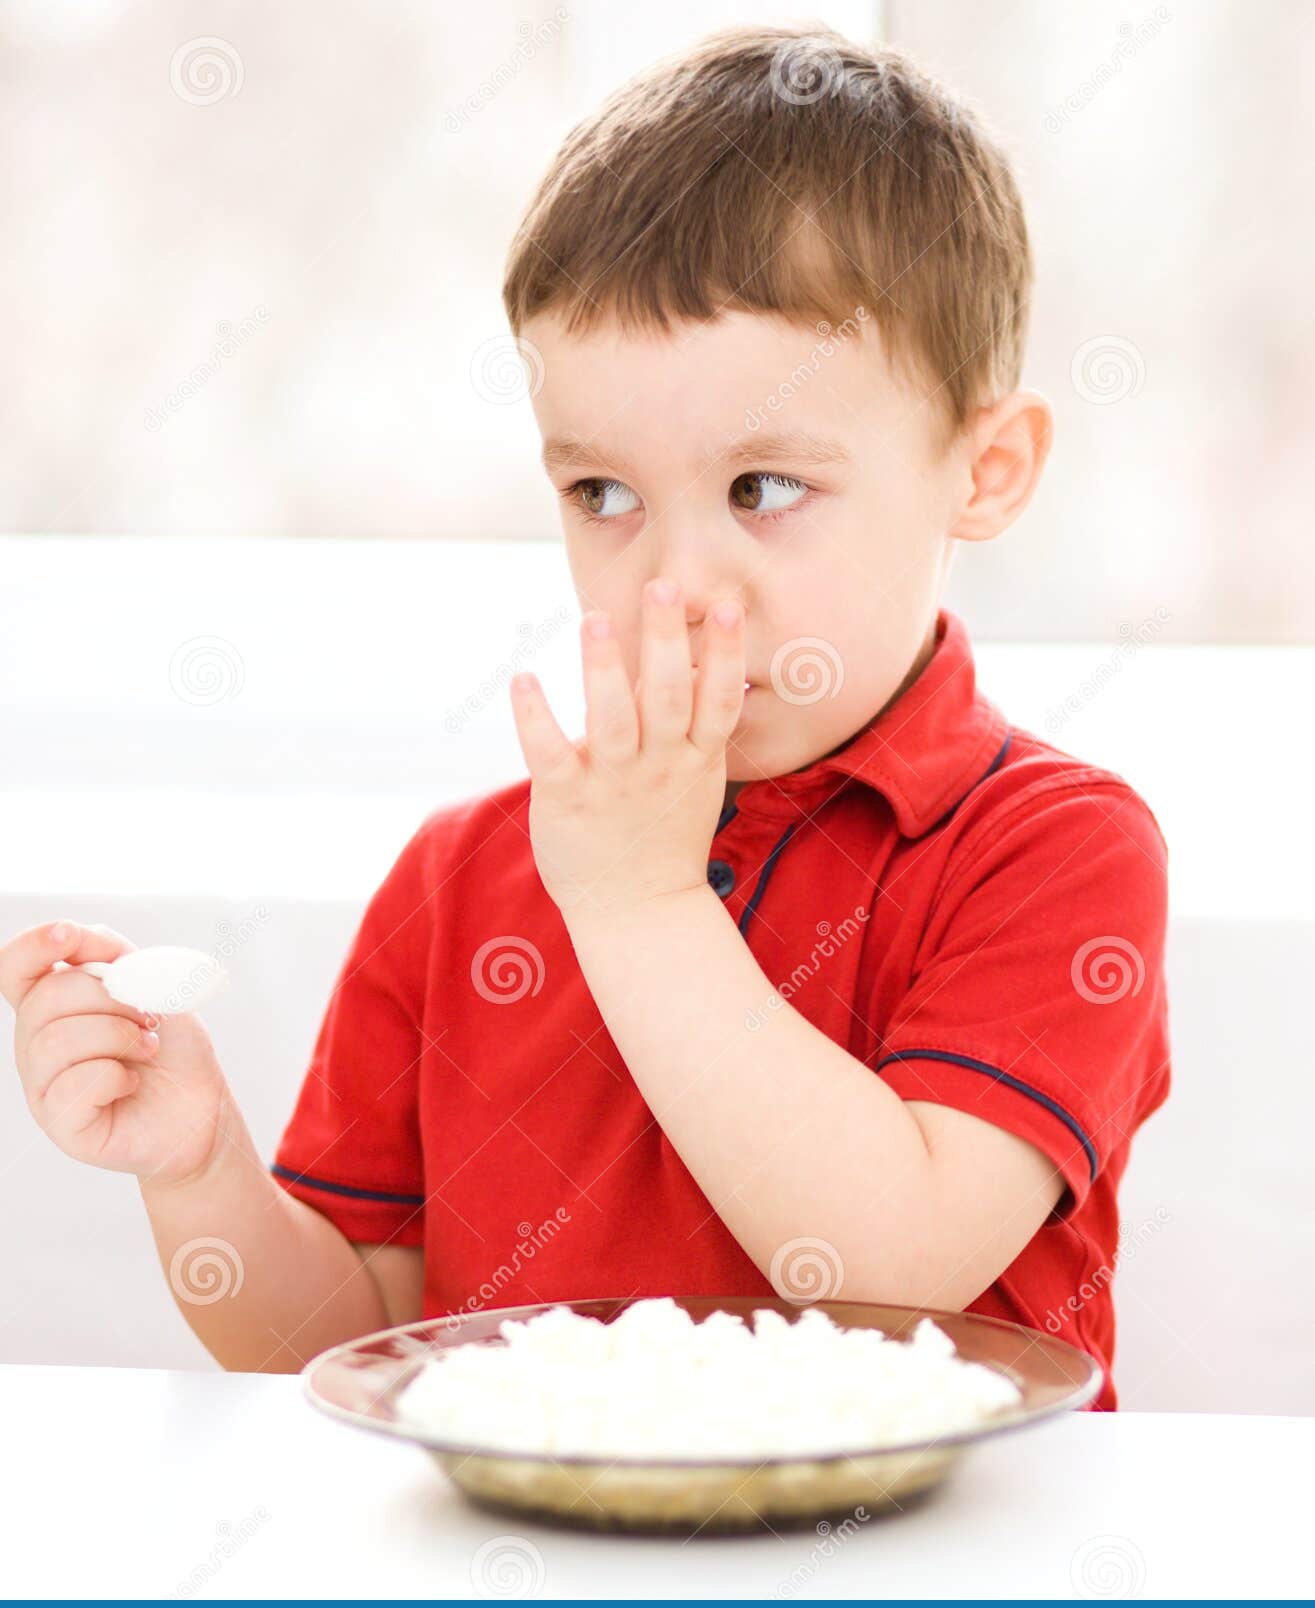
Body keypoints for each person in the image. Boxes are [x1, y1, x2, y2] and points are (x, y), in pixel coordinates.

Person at [1, 26, 1168, 1410]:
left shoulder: (1055, 852)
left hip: (935, 1605)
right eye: (603, 494)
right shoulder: (464, 881)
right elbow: (345, 1352)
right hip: (543, 1587)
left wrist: (642, 909)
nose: (672, 579)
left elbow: (890, 1263)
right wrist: (201, 1170)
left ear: (984, 471)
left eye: (763, 487)